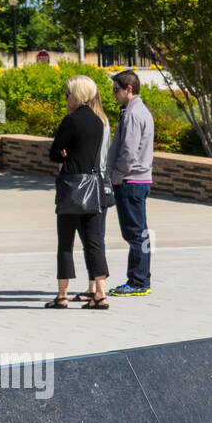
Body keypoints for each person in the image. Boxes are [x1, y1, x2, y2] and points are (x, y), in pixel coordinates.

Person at [47, 75, 110, 310]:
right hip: (92, 186)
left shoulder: (70, 121)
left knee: (66, 243)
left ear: (76, 95)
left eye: (68, 94)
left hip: (71, 187)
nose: (66, 99)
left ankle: (62, 295)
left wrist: (62, 152)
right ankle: (100, 294)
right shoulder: (98, 122)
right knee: (94, 242)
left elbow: (54, 152)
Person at [106, 69, 154, 297]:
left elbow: (128, 151)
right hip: (138, 179)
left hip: (131, 180)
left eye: (116, 90)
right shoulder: (139, 111)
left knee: (135, 234)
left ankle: (137, 281)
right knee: (140, 233)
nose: (114, 94)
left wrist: (117, 175)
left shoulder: (133, 114)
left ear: (129, 89)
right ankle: (142, 278)